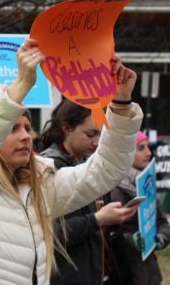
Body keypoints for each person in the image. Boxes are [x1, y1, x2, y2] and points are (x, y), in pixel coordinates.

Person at [0, 38, 143, 284]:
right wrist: (21, 85)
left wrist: (121, 103)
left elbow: (106, 170)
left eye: (27, 127)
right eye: (12, 128)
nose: (25, 136)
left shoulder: (39, 186)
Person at [39, 98, 135, 284]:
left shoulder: (87, 164)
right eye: (91, 134)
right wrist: (97, 219)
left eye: (101, 135)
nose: (97, 143)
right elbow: (49, 232)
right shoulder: (48, 168)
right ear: (67, 129)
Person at [111, 131, 170, 285]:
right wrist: (132, 240)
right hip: (127, 274)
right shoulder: (113, 189)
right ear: (125, 154)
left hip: (150, 273)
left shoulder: (146, 184)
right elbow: (109, 235)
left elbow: (162, 222)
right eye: (141, 148)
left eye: (149, 147)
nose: (149, 153)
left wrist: (162, 237)